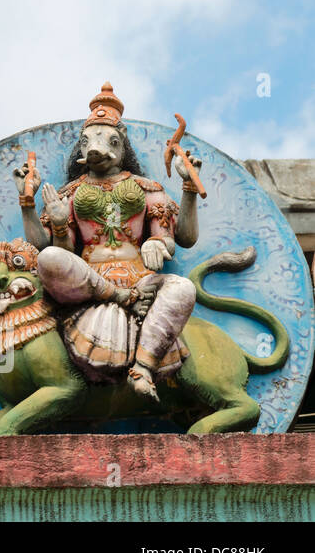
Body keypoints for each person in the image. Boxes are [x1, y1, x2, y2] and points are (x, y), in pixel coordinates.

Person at [14, 83, 203, 400]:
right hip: (91, 280)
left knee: (183, 288)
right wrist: (37, 208)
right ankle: (119, 297)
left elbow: (180, 238)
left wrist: (184, 195)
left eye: (106, 140)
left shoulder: (146, 187)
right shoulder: (70, 193)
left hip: (141, 277)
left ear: (121, 142)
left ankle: (142, 368)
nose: (96, 148)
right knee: (47, 260)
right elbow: (52, 251)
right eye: (88, 142)